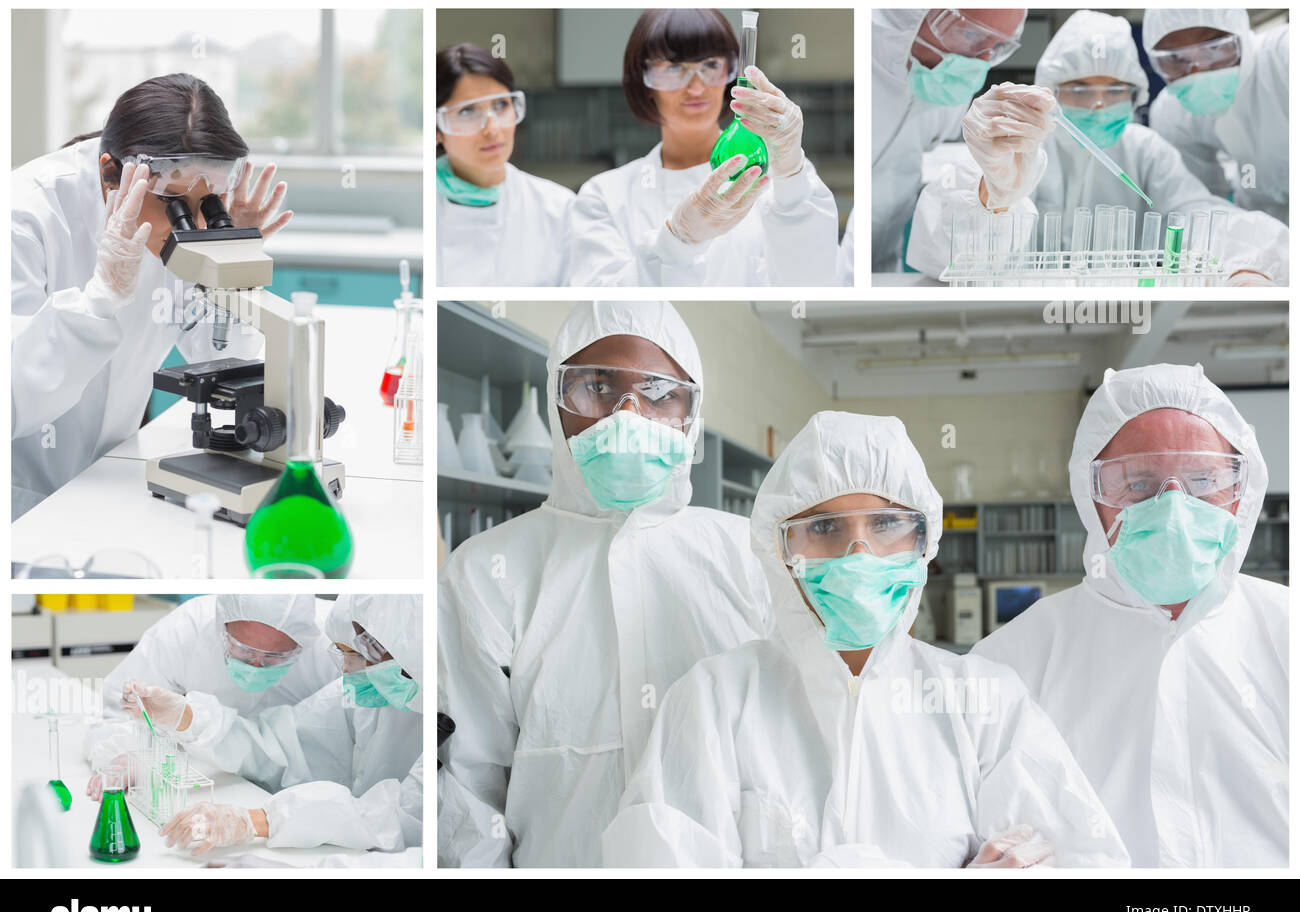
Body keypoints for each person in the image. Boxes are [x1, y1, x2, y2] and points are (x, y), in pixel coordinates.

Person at [603, 412, 1129, 868]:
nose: (860, 555)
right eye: (826, 529)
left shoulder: (985, 703)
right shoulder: (715, 700)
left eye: (885, 524)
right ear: (779, 549)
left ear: (923, 542)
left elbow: (1081, 856)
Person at [438, 301, 773, 867]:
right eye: (596, 386)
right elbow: (472, 780)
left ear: (692, 411)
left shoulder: (752, 555)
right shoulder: (487, 571)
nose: (627, 414)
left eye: (660, 392)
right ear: (556, 401)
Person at [975, 364, 1288, 867]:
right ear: (1089, 494)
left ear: (1241, 489)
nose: (1173, 507)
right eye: (1137, 483)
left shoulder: (1286, 632)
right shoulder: (1008, 667)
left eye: (1203, 479)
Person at [12, 73, 290, 520]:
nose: (191, 222)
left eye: (209, 202)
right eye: (172, 201)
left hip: (113, 478)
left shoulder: (186, 227)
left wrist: (229, 267)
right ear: (110, 173)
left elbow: (226, 359)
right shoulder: (24, 212)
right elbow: (13, 401)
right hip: (22, 498)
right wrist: (100, 298)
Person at [906, 10, 1289, 285]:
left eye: (1115, 88)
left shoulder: (1146, 150)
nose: (1100, 103)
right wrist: (994, 191)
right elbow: (943, 257)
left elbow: (1195, 212)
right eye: (1080, 88)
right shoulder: (1019, 145)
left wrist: (1250, 262)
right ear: (1050, 92)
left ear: (1135, 93)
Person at [127, 595, 423, 855]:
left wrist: (259, 820)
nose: (349, 670)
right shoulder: (364, 695)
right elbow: (276, 746)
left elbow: (404, 816)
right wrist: (187, 718)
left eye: (360, 655)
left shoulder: (448, 717)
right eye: (344, 653)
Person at [568, 8, 839, 286]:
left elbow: (815, 284)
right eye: (674, 68)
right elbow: (608, 301)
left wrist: (792, 173)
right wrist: (677, 240)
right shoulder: (605, 198)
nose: (696, 88)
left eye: (710, 65)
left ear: (730, 72)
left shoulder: (775, 178)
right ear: (645, 80)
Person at [83, 595, 335, 796]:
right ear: (222, 628)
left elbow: (346, 747)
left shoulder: (336, 647)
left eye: (275, 657)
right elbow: (118, 709)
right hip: (209, 784)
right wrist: (128, 754)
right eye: (244, 652)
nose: (256, 666)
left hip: (301, 792)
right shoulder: (188, 628)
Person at [872, 8, 1027, 273]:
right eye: (970, 33)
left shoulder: (945, 86)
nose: (984, 59)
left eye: (999, 45)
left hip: (883, 265)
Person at [435, 43, 575, 286]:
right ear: (437, 129)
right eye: (468, 111)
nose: (492, 129)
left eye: (501, 106)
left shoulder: (560, 209)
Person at [1143, 9, 1289, 223]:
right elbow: (1199, 201)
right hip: (1258, 222)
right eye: (1174, 57)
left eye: (1214, 48)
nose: (1198, 69)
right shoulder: (1171, 111)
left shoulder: (1284, 56)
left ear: (1240, 37)